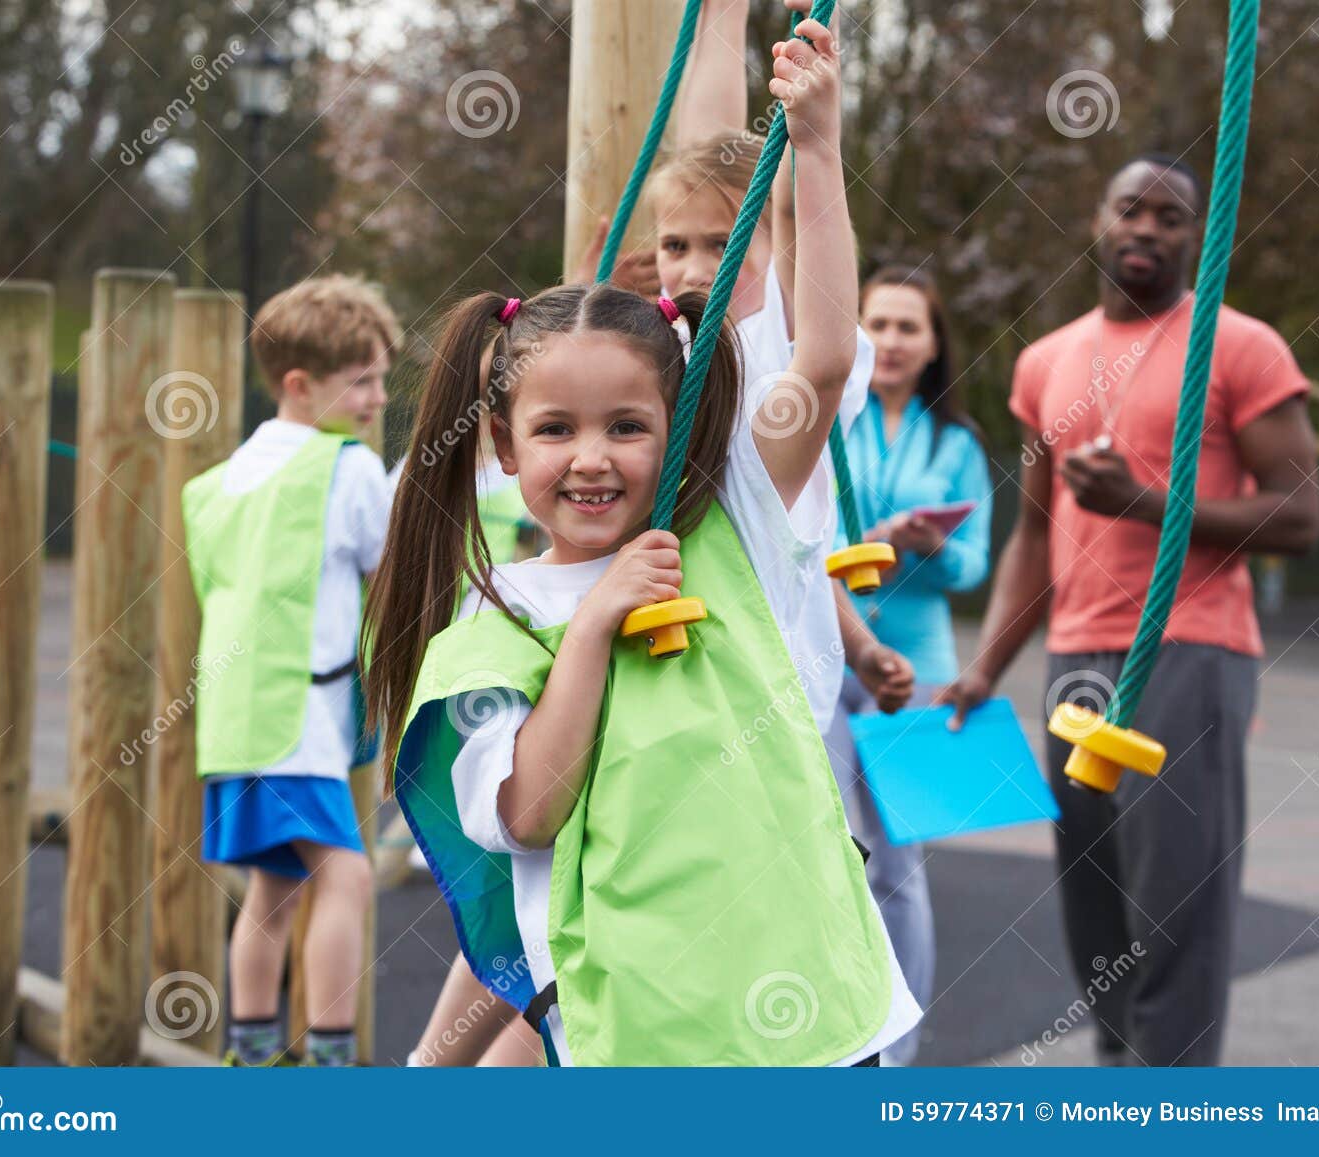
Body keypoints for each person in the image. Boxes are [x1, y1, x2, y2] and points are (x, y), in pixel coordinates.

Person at [367, 16, 920, 1065]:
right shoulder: (497, 618)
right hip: (643, 1030)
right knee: (508, 977)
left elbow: (826, 355)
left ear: (677, 432)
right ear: (499, 440)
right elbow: (528, 812)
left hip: (809, 1000)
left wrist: (816, 150)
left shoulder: (721, 519)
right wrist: (596, 627)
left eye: (628, 426)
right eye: (556, 430)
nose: (593, 458)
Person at [941, 154, 1319, 1066]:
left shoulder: (1239, 346)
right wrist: (987, 665)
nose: (1148, 229)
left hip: (1189, 649)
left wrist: (1148, 504)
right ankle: (1120, 1078)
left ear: (1197, 235)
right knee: (1094, 896)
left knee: (1177, 905)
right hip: (1076, 654)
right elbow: (1033, 535)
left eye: (1171, 216)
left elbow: (1301, 514)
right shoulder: (1045, 362)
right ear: (1098, 221)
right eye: (1132, 210)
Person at [659, 0, 914, 744]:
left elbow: (799, 227)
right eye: (675, 245)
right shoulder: (657, 347)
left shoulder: (783, 336)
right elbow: (700, 151)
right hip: (675, 661)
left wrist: (815, 141)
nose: (697, 267)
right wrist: (722, 16)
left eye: (722, 243)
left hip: (772, 682)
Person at [182, 274, 400, 1067]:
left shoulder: (214, 486)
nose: (378, 395)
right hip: (298, 714)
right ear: (302, 386)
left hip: (238, 718)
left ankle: (251, 1052)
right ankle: (331, 1059)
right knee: (347, 875)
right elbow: (393, 572)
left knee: (274, 891)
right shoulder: (344, 468)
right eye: (363, 380)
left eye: (382, 376)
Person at [821, 263, 993, 1064]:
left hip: (915, 665)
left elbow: (975, 567)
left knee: (900, 866)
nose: (889, 341)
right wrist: (871, 542)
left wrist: (935, 545)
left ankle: (902, 1053)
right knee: (824, 853)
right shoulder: (823, 420)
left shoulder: (956, 442)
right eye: (877, 324)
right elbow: (802, 544)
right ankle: (831, 1034)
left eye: (906, 327)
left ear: (933, 346)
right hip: (827, 652)